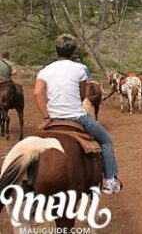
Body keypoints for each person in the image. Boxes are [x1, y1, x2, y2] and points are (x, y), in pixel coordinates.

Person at [33, 34, 122, 194]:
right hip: (78, 117)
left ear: (56, 50)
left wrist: (46, 117)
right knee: (107, 141)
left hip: (53, 118)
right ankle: (110, 181)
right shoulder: (81, 69)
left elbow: (37, 93)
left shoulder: (45, 70)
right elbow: (82, 96)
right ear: (73, 51)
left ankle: (29, 185)